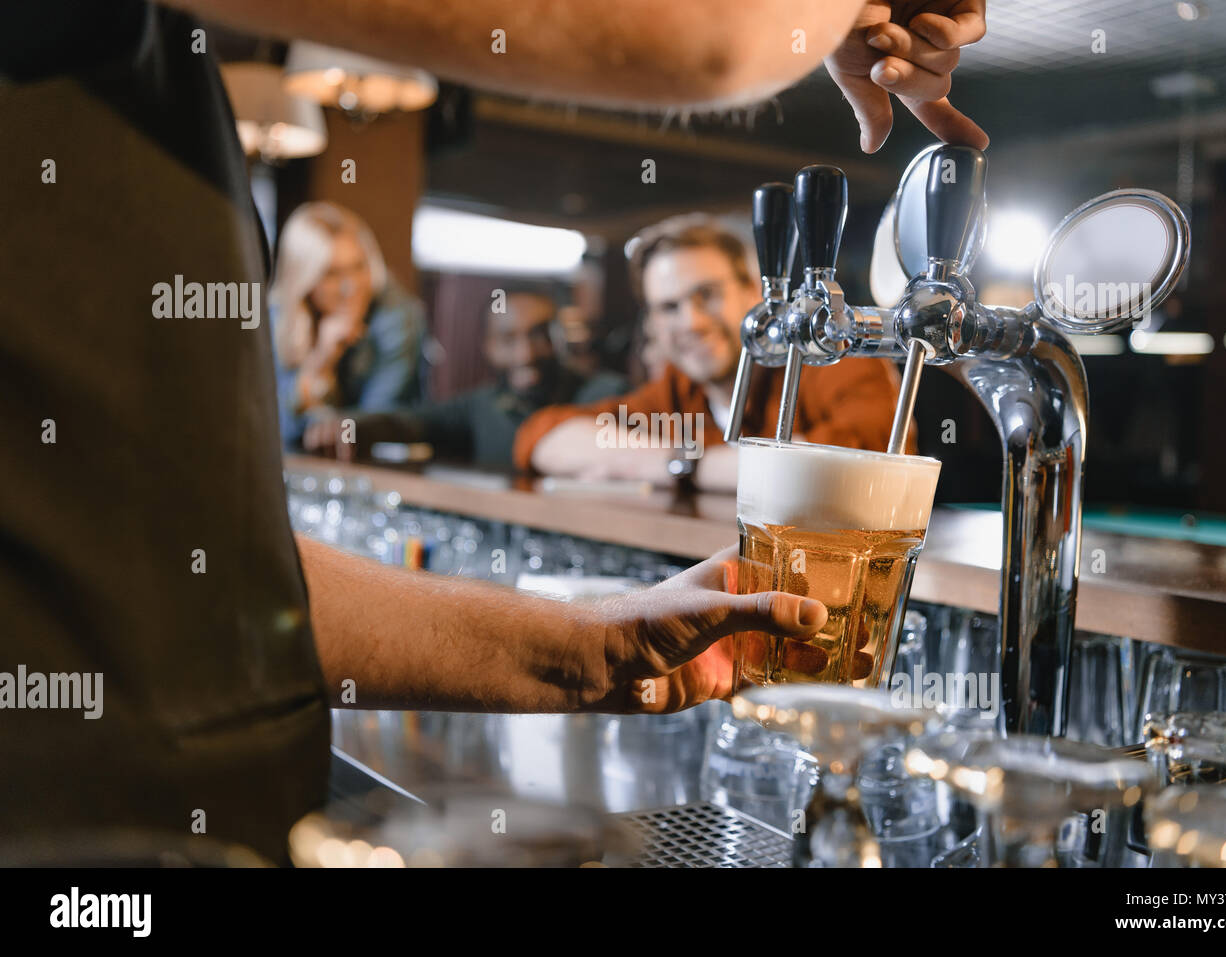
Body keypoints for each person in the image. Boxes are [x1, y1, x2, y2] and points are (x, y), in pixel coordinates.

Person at [1, 0, 986, 863]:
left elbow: (210, 578)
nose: (686, 326)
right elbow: (709, 34)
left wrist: (588, 646)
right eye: (666, 306)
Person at [516, 215, 916, 491]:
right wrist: (678, 465)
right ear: (652, 323)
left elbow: (863, 464)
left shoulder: (827, 360)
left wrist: (687, 466)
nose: (690, 323)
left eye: (706, 295)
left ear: (755, 292)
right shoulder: (677, 391)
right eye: (669, 308)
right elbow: (543, 434)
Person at [302, 289, 627, 467]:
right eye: (508, 339)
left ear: (561, 339)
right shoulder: (480, 405)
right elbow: (411, 423)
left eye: (539, 336)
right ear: (486, 346)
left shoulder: (609, 394)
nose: (526, 354)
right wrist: (349, 425)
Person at [271, 202, 427, 448]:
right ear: (304, 279)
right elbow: (274, 428)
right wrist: (321, 362)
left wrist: (314, 413)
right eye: (331, 274)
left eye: (358, 267)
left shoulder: (397, 317)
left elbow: (373, 427)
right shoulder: (280, 315)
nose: (350, 287)